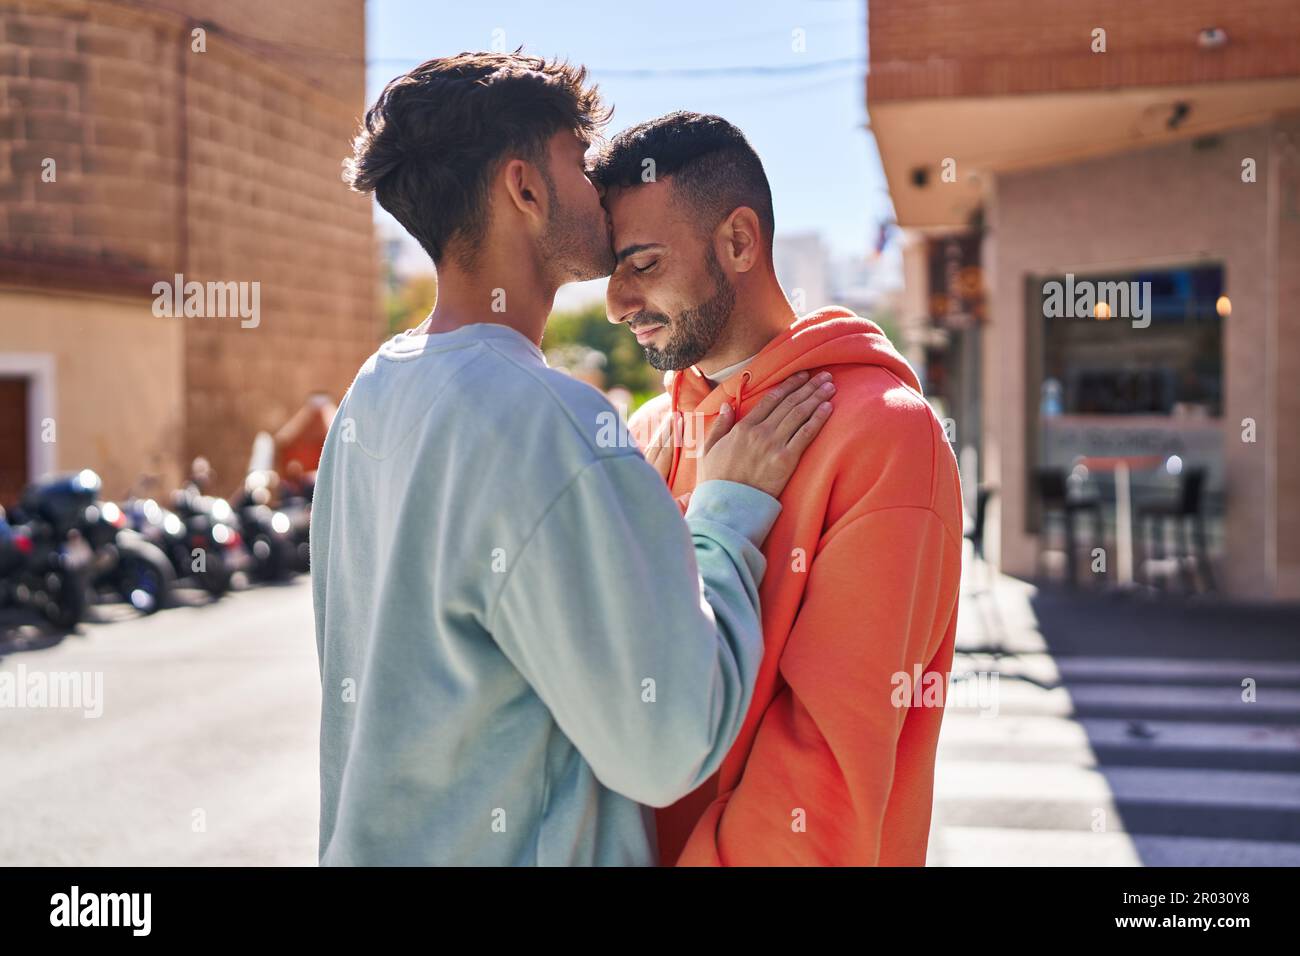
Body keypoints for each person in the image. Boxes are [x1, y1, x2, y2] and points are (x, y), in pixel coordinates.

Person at [311, 54, 834, 866]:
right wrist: (726, 513)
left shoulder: (372, 394)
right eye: (579, 161)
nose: (598, 186)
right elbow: (668, 745)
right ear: (524, 188)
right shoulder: (546, 419)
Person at [594, 111, 964, 866]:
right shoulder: (647, 431)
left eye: (643, 264)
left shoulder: (886, 435)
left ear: (737, 241)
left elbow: (824, 761)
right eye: (612, 270)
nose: (615, 303)